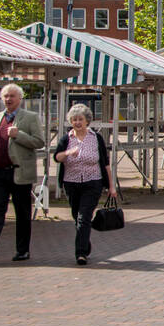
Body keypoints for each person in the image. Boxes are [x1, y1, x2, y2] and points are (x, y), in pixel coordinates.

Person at [0, 83, 45, 263]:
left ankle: (22, 250)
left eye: (12, 96)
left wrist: (18, 135)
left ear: (20, 99)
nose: (8, 99)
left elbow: (39, 142)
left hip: (19, 173)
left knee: (22, 213)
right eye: (5, 96)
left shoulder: (30, 117)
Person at [53, 103, 117, 266]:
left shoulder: (96, 138)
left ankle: (81, 253)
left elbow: (105, 163)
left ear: (87, 121)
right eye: (74, 120)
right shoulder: (67, 138)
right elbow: (57, 157)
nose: (77, 122)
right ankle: (85, 243)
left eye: (80, 119)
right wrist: (67, 153)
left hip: (92, 182)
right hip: (71, 183)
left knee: (84, 217)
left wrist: (111, 186)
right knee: (77, 217)